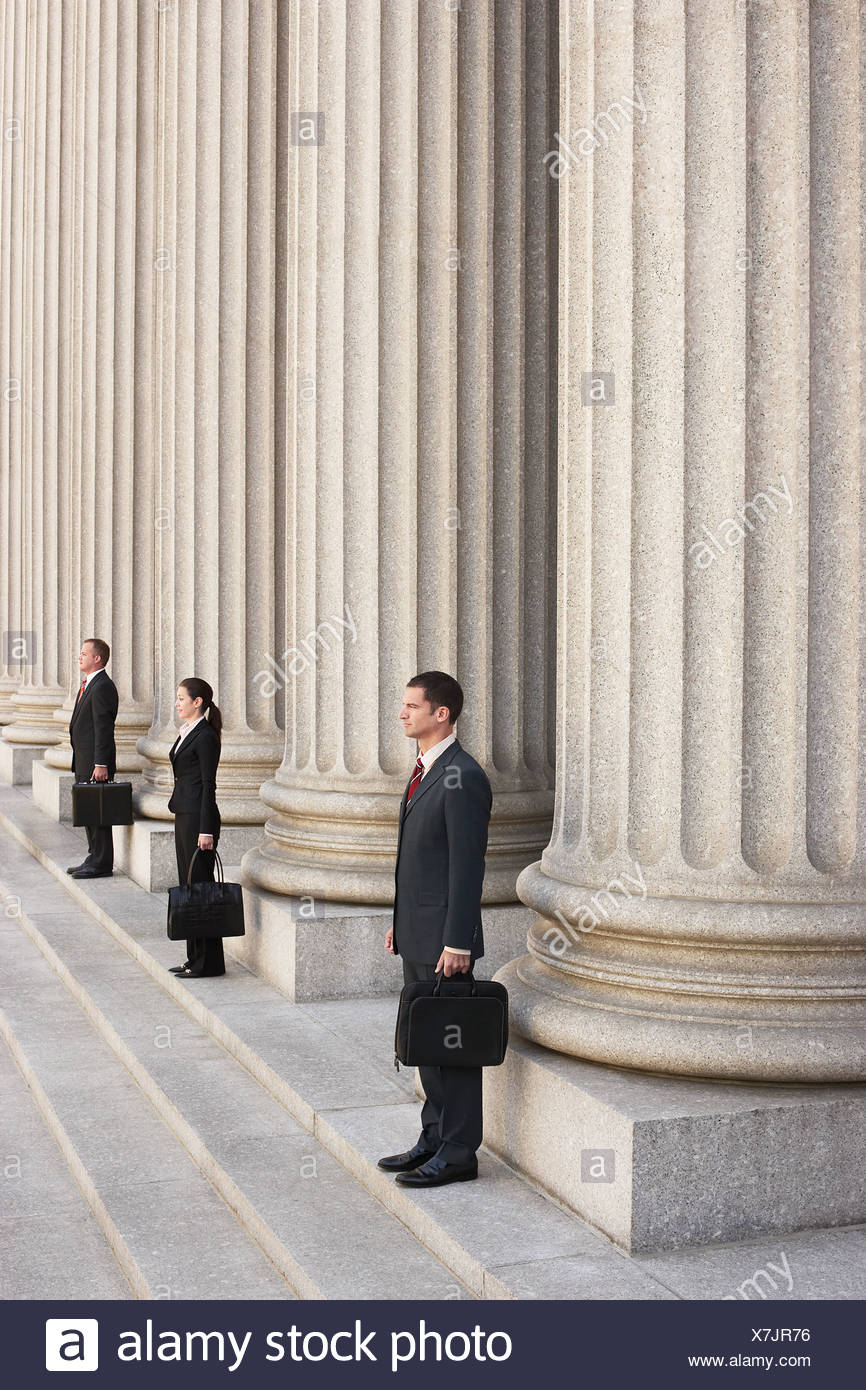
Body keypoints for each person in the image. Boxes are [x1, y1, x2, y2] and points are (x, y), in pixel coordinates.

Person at [379, 671, 492, 1189]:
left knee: (455, 1046)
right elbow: (419, 860)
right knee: (428, 1040)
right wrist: (400, 923)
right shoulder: (425, 770)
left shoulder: (462, 775)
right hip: (419, 930)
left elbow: (466, 868)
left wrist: (458, 940)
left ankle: (459, 1151)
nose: (402, 714)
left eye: (411, 706)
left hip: (448, 940)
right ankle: (433, 1136)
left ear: (440, 714)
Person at [167, 677, 225, 978]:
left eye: (181, 698)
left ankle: (209, 962)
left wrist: (206, 830)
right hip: (184, 815)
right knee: (190, 888)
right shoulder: (188, 731)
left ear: (197, 701)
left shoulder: (204, 736)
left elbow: (208, 786)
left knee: (201, 890)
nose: (177, 703)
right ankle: (193, 957)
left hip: (198, 821)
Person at [67, 638, 119, 879]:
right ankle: (93, 856)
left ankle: (101, 862)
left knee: (98, 815)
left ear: (97, 658)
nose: (79, 657)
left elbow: (103, 727)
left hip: (95, 763)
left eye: (84, 653)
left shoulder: (103, 687)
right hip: (84, 759)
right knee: (89, 812)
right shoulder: (89, 684)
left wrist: (101, 763)